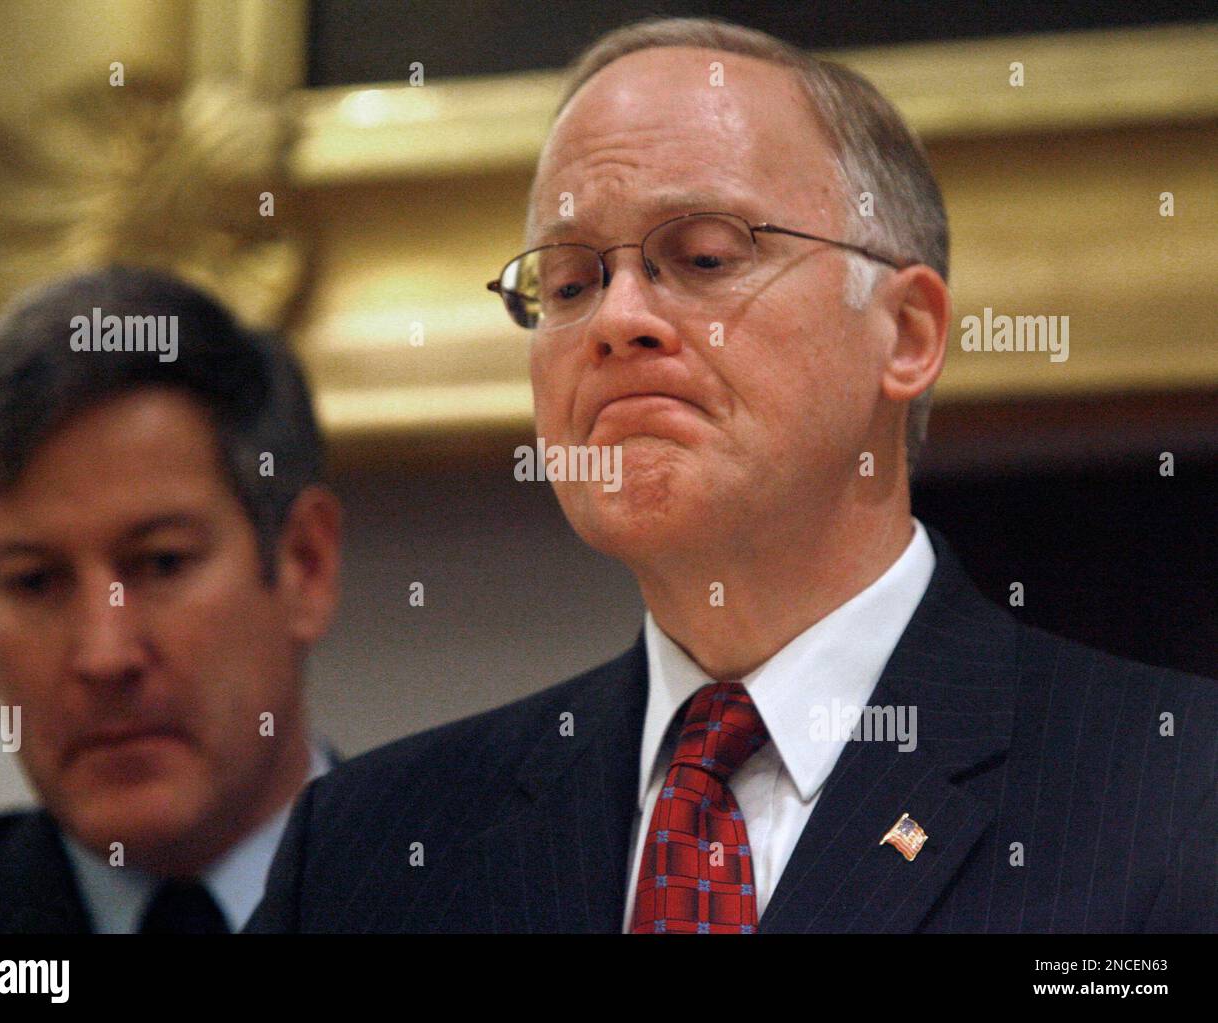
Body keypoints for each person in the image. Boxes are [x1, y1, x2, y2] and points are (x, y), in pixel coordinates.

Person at [246, 18, 1217, 933]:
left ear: (906, 334)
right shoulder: (364, 849)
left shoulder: (1175, 791)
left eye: (704, 256)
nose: (620, 318)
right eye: (571, 282)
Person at [0, 266, 343, 933]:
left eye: (161, 562)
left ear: (304, 566)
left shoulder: (490, 898)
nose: (104, 654)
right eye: (34, 581)